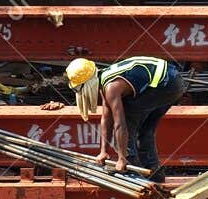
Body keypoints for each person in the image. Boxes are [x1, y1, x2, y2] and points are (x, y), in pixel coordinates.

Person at [65, 54, 184, 182]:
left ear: (86, 83)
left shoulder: (111, 88)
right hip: (172, 82)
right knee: (145, 130)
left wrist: (121, 158)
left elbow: (119, 124)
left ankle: (132, 172)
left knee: (126, 121)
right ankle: (154, 173)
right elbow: (106, 118)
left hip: (165, 84)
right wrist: (103, 151)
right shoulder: (105, 79)